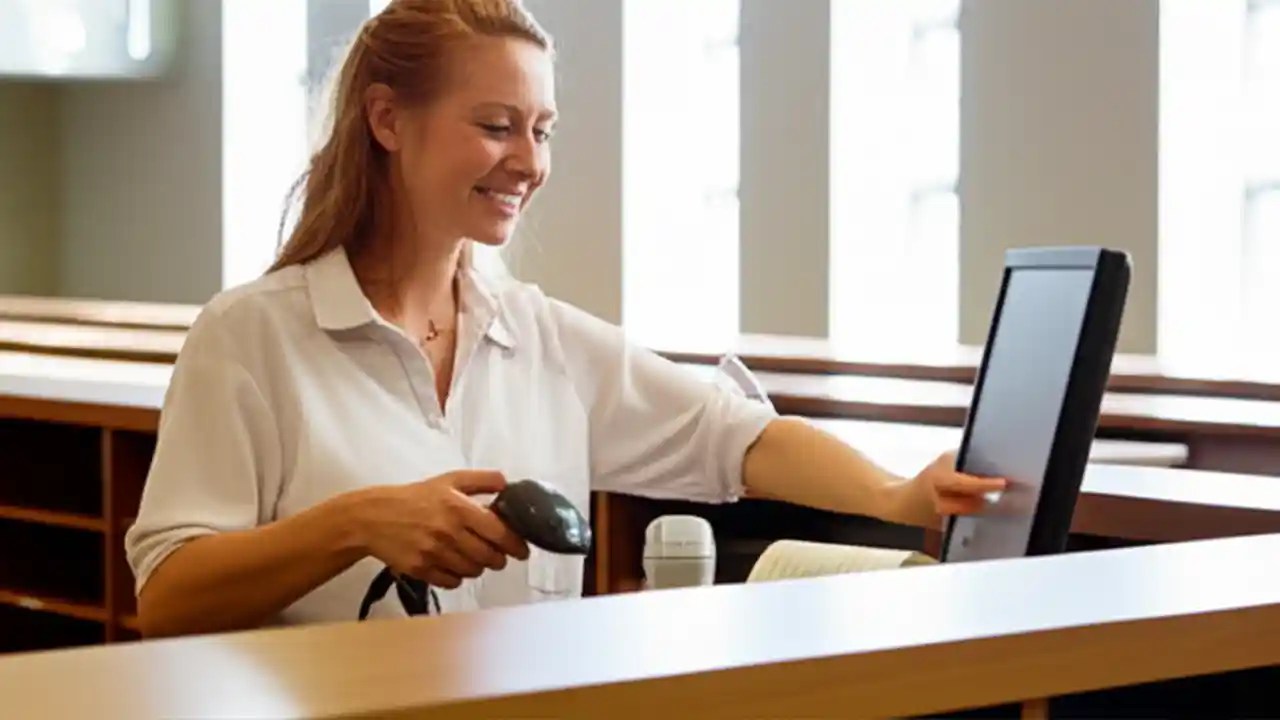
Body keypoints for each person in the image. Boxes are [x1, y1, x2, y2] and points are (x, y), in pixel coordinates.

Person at [125, 0, 1005, 638]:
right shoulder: (250, 337)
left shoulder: (541, 338)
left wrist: (898, 494)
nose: (529, 162)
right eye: (497, 125)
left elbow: (736, 439)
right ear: (389, 120)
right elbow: (167, 596)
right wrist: (353, 524)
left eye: (542, 130)